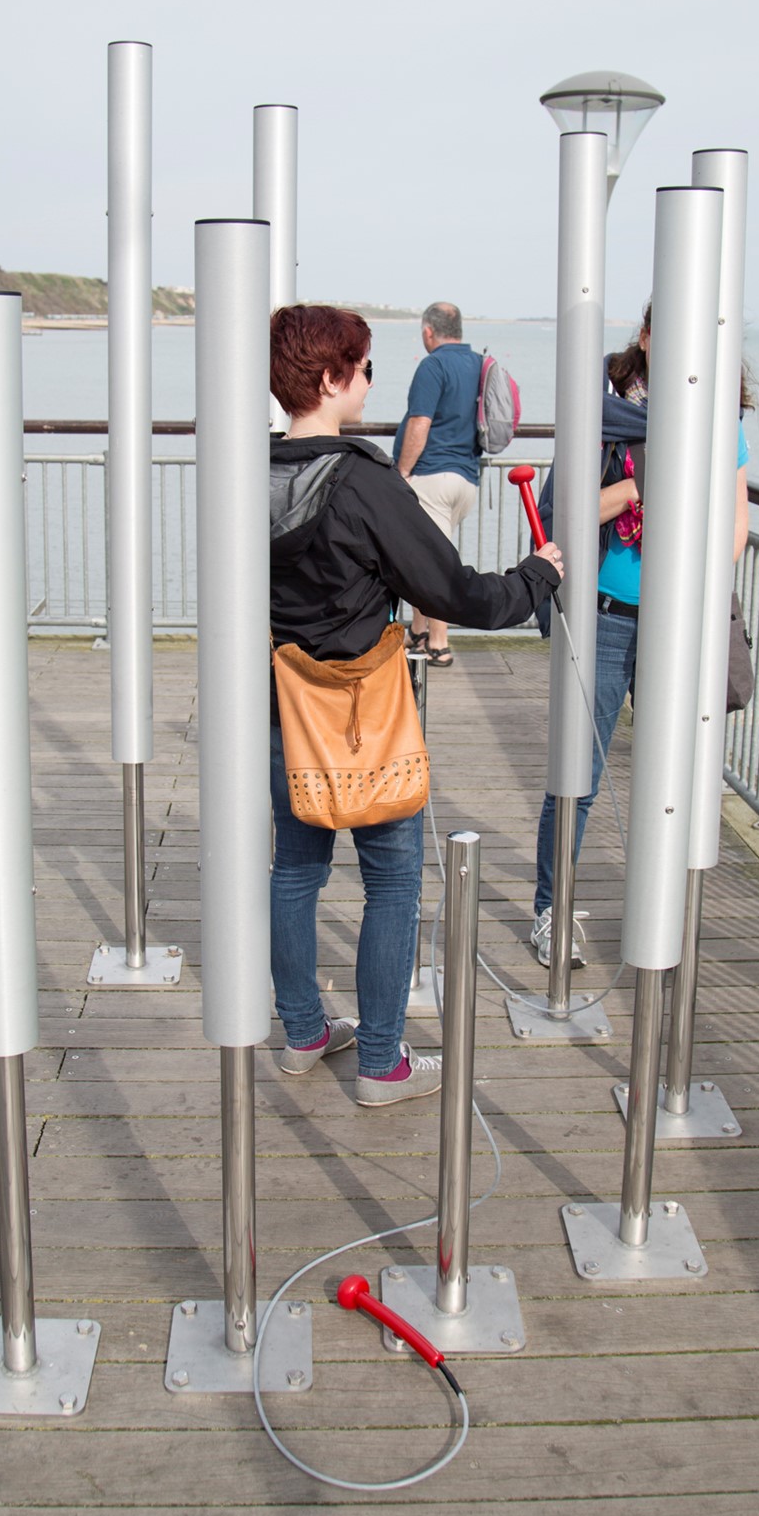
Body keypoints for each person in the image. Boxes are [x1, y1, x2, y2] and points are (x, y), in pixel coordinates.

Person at [270, 303, 564, 1103]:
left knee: (295, 870)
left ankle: (302, 1032)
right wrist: (536, 576)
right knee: (393, 881)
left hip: (282, 703)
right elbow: (453, 591)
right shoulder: (363, 482)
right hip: (364, 714)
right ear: (331, 379)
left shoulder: (250, 472)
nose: (372, 381)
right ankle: (381, 1062)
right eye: (364, 368)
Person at [527, 303, 753, 967]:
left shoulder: (719, 420)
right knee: (577, 773)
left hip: (677, 623)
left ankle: (660, 907)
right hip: (603, 617)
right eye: (668, 335)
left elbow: (735, 526)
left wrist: (697, 586)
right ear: (647, 340)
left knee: (673, 773)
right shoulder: (597, 413)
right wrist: (633, 488)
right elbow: (563, 516)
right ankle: (552, 910)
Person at [392, 300, 483, 668]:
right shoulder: (478, 364)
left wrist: (402, 472)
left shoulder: (433, 366)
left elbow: (420, 422)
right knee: (423, 554)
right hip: (467, 479)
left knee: (431, 563)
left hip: (432, 477)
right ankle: (418, 630)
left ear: (428, 331)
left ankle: (439, 643)